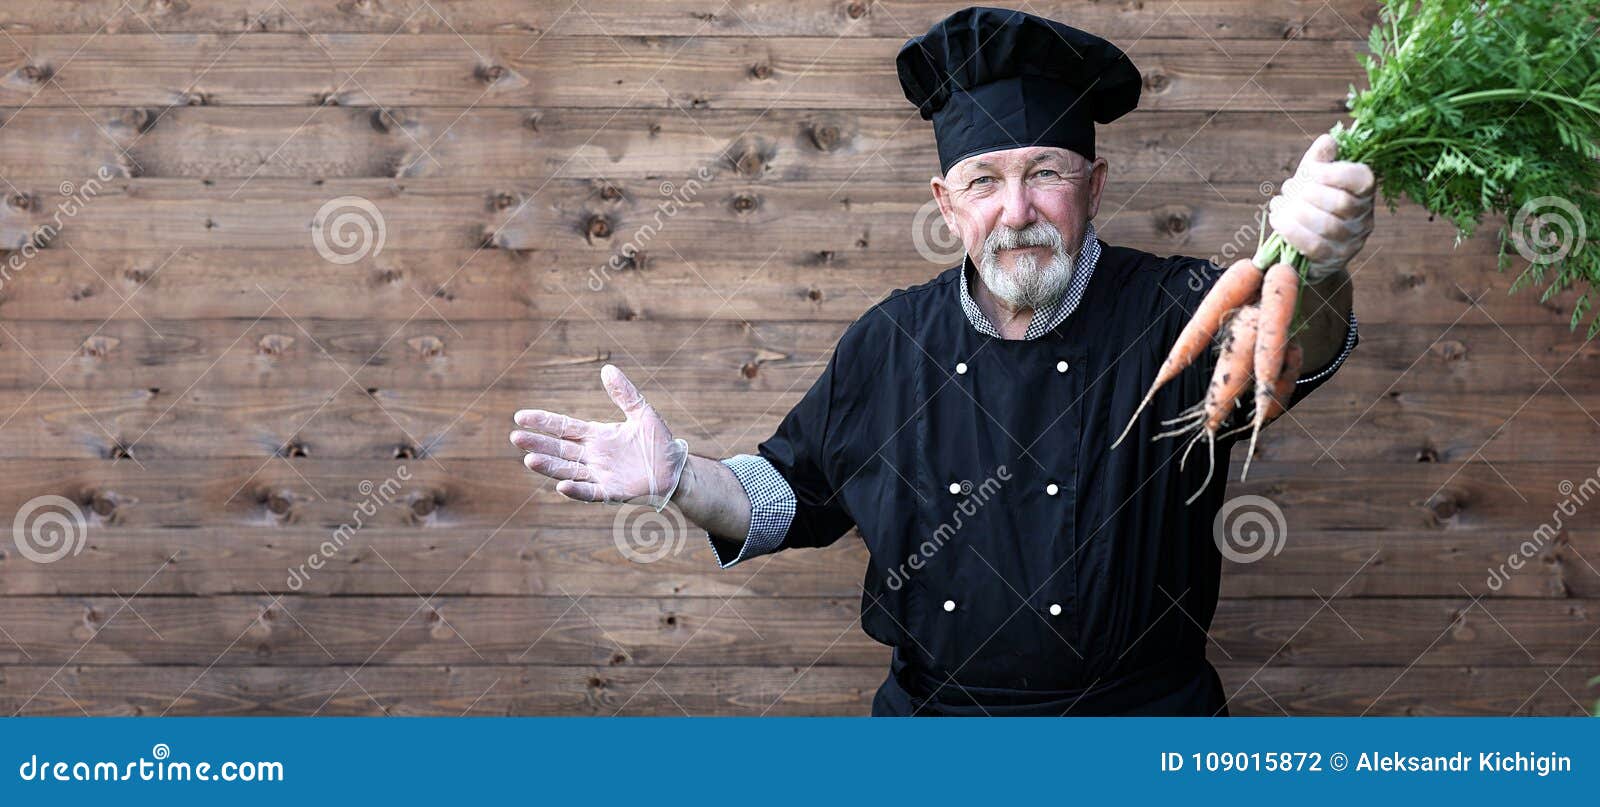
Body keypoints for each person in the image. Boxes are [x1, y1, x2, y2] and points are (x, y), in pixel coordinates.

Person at [510, 6, 1372, 716]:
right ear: (946, 203)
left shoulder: (1177, 305)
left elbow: (1298, 348)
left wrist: (1321, 266)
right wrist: (679, 479)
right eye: (985, 181)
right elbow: (789, 494)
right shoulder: (892, 341)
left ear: (1095, 187)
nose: (1018, 208)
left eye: (1046, 173)